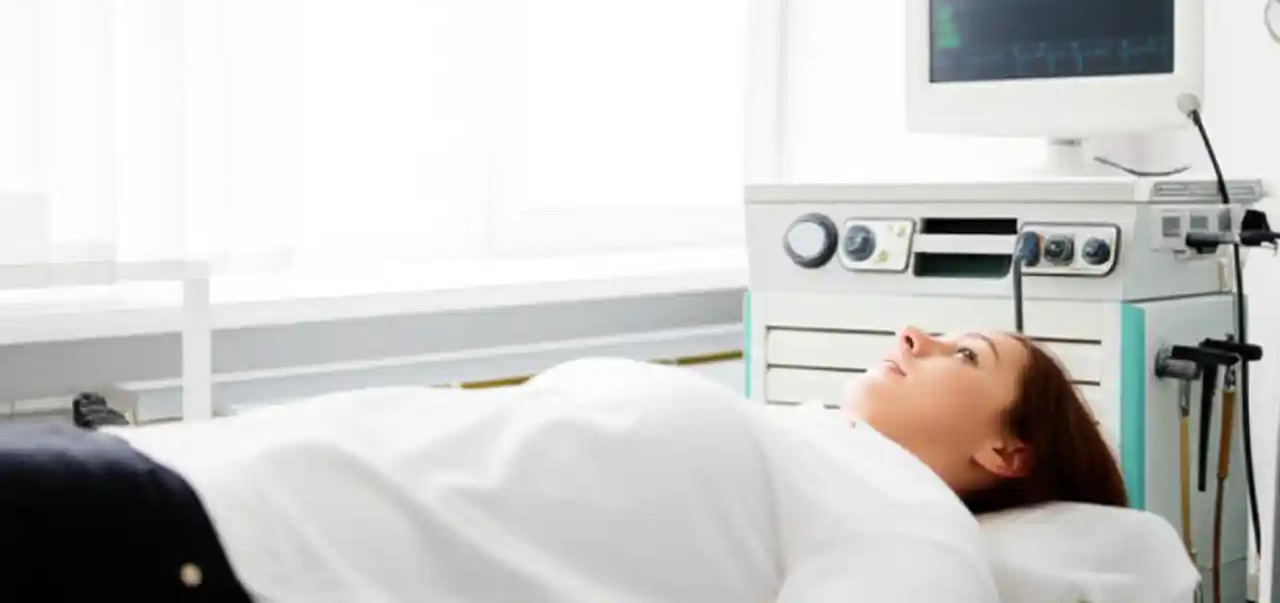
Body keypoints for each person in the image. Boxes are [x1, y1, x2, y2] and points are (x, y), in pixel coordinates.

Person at [0, 327, 1125, 602]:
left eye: (962, 351)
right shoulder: (800, 437)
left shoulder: (905, 520)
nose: (917, 337)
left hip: (241, 550)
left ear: (1005, 449)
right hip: (200, 478)